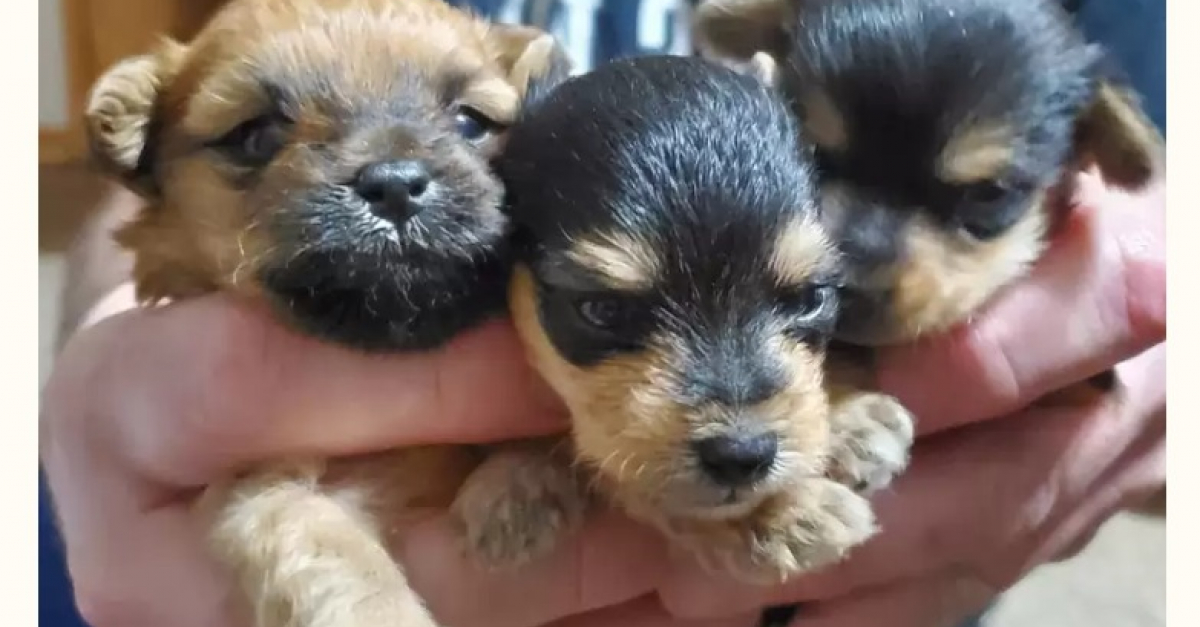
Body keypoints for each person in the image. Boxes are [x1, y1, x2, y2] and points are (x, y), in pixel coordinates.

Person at [40, 2, 1164, 626]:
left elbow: (1151, 182)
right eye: (255, 143)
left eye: (474, 123)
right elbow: (153, 125)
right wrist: (99, 341)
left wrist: (1148, 322)